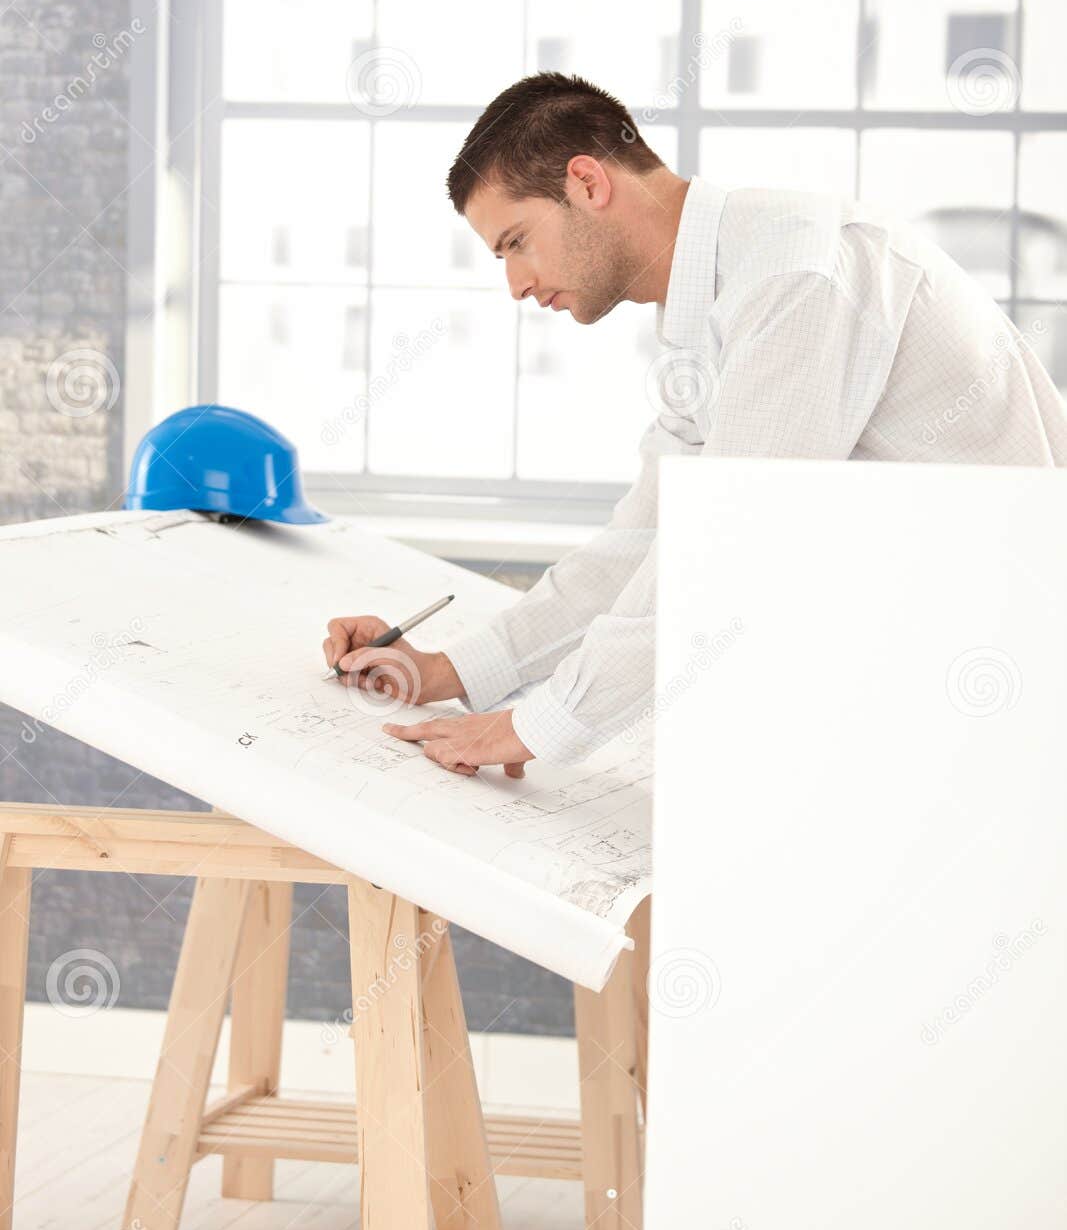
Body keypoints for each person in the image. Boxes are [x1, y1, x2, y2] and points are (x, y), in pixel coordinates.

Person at [323, 72, 1067, 777]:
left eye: (516, 241)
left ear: (586, 182)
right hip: (928, 665)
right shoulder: (714, 305)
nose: (515, 284)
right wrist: (444, 671)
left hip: (996, 686)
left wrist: (534, 727)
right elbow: (643, 539)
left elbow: (729, 549)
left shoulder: (793, 275)